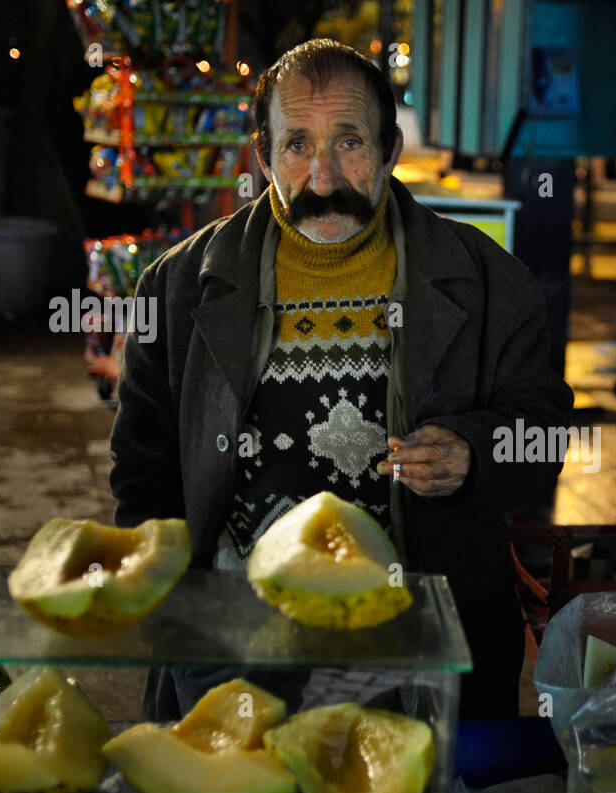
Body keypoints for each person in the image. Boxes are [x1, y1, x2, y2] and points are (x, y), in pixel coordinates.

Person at [110, 38, 573, 718]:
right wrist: (174, 606)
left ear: (389, 150)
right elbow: (142, 474)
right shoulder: (177, 290)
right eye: (297, 145)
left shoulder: (486, 282)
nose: (323, 178)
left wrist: (475, 452)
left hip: (420, 652)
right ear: (263, 157)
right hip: (238, 654)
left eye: (350, 143)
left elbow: (546, 438)